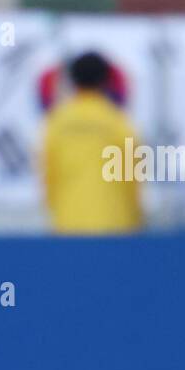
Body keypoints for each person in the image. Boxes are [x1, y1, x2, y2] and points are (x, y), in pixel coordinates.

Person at [41, 51, 145, 233]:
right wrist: (136, 218)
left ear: (72, 81)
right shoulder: (118, 123)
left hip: (68, 222)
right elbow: (133, 179)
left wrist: (56, 211)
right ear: (106, 80)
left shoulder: (57, 123)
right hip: (115, 223)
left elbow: (49, 177)